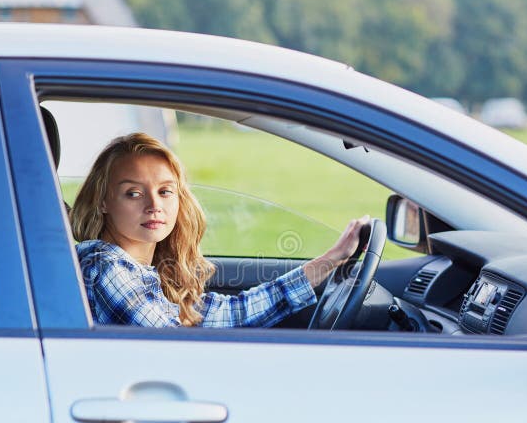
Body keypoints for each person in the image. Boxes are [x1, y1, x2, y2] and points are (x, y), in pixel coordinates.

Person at [70, 132, 367, 327]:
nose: (154, 205)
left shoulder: (140, 270)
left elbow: (230, 313)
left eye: (165, 191)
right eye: (133, 193)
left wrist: (331, 259)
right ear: (103, 201)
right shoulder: (104, 266)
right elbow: (173, 349)